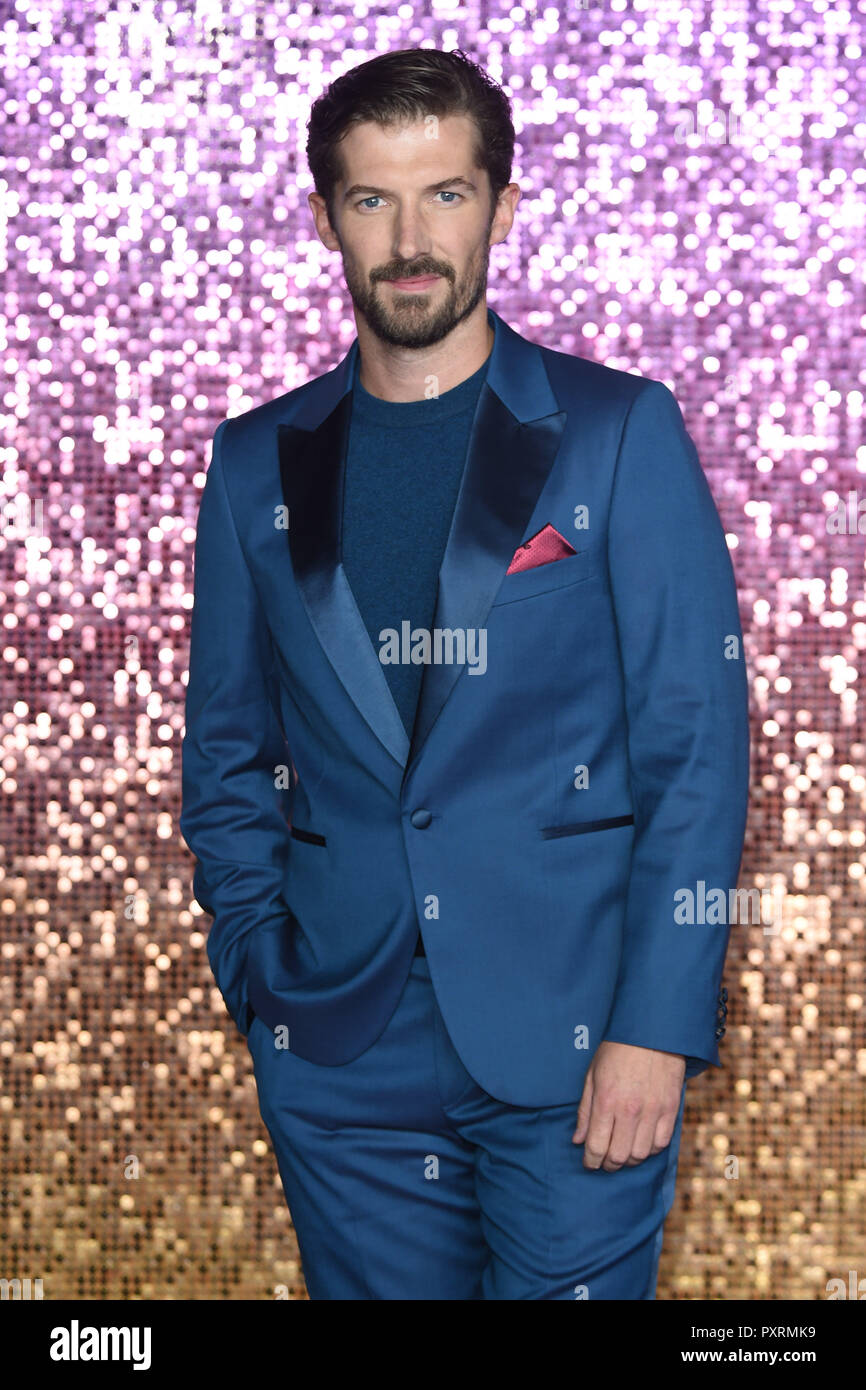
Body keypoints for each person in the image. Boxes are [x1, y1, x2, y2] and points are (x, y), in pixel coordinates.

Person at [180, 47, 749, 1300]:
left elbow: (693, 748)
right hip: (338, 1049)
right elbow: (226, 747)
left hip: (575, 1039)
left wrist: (655, 1023)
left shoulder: (615, 433)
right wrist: (258, 969)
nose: (409, 240)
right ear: (325, 215)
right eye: (373, 200)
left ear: (499, 202)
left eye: (444, 193)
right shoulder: (251, 463)